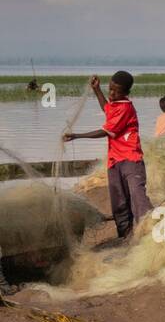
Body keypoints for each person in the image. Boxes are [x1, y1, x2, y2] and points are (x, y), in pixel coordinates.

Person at [62, 71, 153, 239]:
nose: (111, 93)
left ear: (126, 93)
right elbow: (107, 109)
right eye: (110, 89)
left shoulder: (126, 107)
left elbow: (105, 131)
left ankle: (148, 233)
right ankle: (125, 236)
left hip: (131, 160)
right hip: (114, 161)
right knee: (118, 202)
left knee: (137, 197)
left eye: (116, 91)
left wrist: (77, 136)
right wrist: (97, 90)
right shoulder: (116, 104)